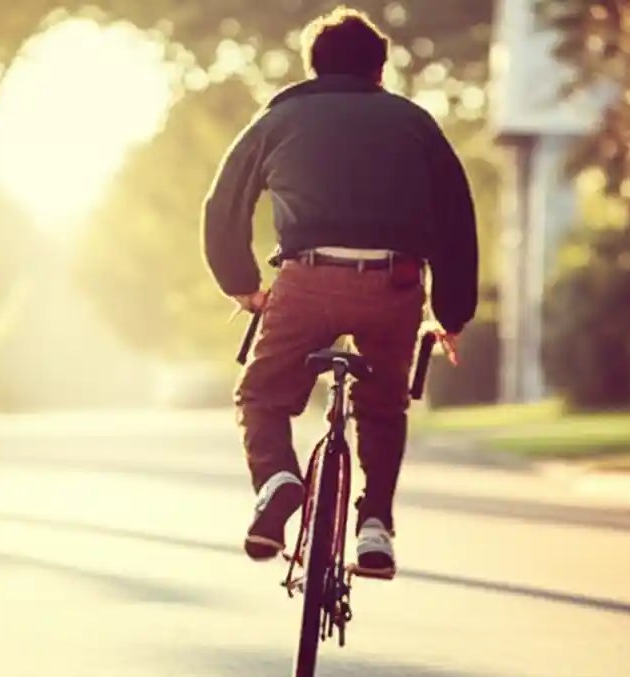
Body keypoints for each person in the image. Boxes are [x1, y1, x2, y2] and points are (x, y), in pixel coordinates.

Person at [201, 6, 478, 579]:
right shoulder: (415, 123)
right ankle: (374, 525)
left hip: (307, 280)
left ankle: (278, 482)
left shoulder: (276, 120)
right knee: (382, 408)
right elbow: (457, 217)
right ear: (380, 72)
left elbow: (223, 205)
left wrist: (244, 286)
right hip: (395, 283)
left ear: (313, 68)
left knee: (262, 397)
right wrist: (451, 312)